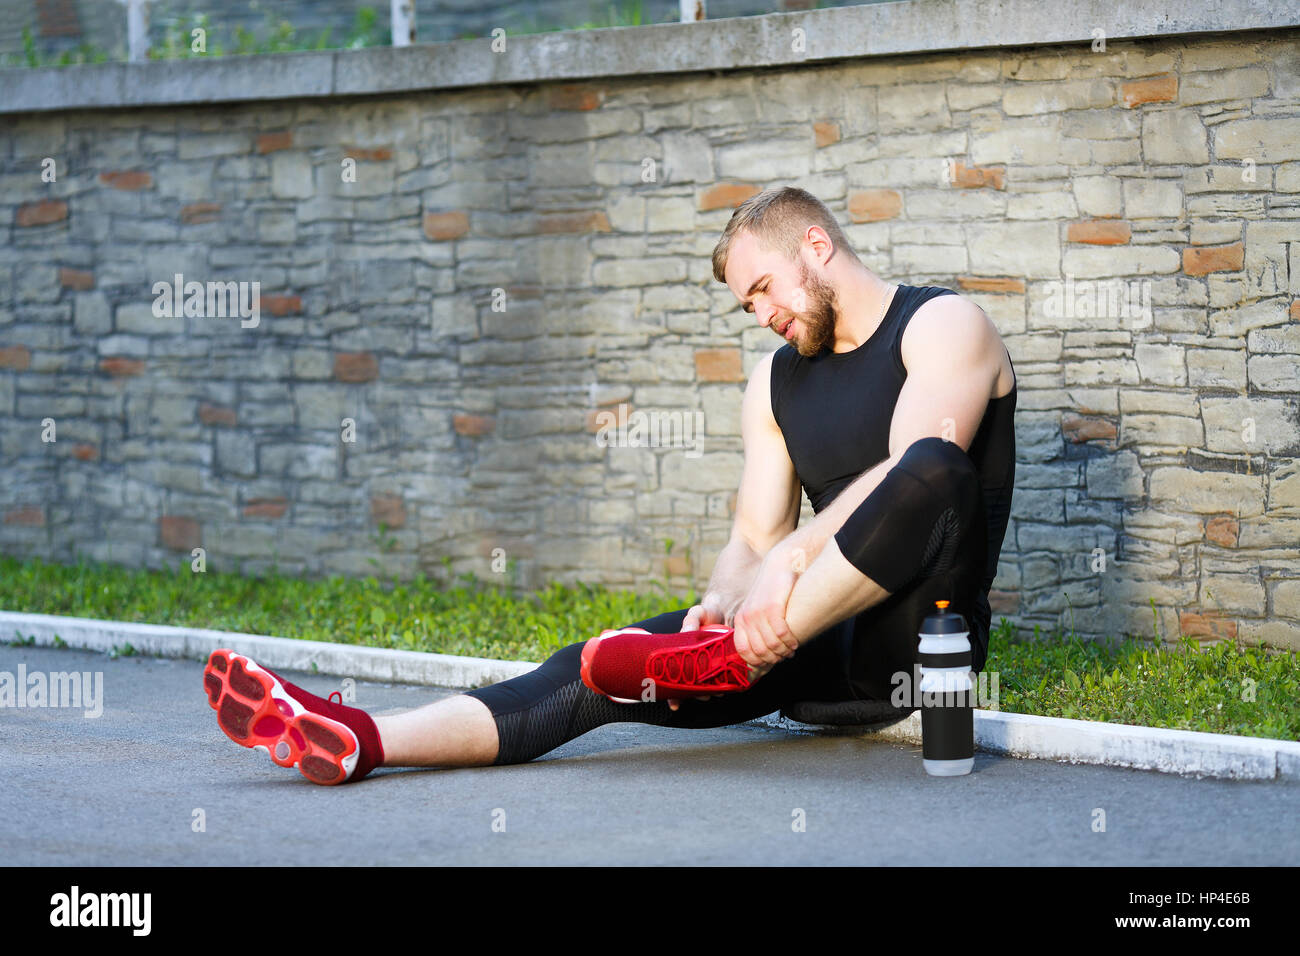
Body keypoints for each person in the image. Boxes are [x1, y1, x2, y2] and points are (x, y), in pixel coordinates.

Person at [203, 185, 1017, 785]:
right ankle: (360, 737)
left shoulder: (944, 324)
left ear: (815, 244)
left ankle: (726, 657)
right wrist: (722, 601)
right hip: (805, 657)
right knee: (587, 668)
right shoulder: (774, 382)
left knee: (933, 469)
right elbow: (751, 539)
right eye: (746, 304)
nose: (760, 311)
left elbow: (914, 467)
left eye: (763, 287)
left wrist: (791, 563)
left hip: (917, 652)